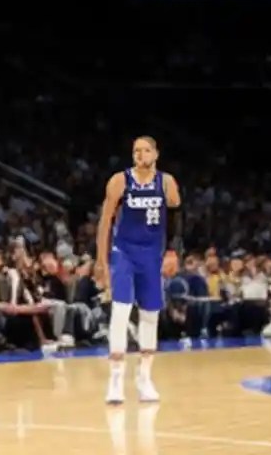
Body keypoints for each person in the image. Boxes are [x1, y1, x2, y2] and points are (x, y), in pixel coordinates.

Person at [95, 136, 182, 404]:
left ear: (156, 153)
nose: (140, 154)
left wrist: (172, 250)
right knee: (120, 311)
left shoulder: (166, 182)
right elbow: (105, 222)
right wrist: (101, 260)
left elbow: (177, 218)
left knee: (150, 315)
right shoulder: (120, 181)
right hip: (124, 253)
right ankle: (116, 379)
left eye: (145, 150)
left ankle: (144, 377)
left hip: (151, 255)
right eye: (136, 151)